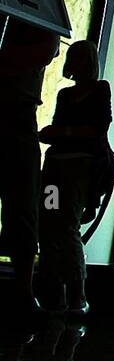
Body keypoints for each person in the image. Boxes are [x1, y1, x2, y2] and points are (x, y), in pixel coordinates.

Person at [36, 41, 112, 320]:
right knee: (53, 226)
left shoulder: (91, 91)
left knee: (61, 225)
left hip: (69, 168)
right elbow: (93, 129)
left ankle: (68, 294)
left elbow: (94, 129)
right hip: (64, 168)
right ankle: (65, 294)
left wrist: (61, 132)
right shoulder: (74, 94)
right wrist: (70, 132)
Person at [0, 18, 61, 328]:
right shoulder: (38, 6)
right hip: (20, 116)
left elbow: (43, 50)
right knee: (23, 206)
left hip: (18, 115)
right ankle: (23, 290)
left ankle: (23, 289)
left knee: (23, 207)